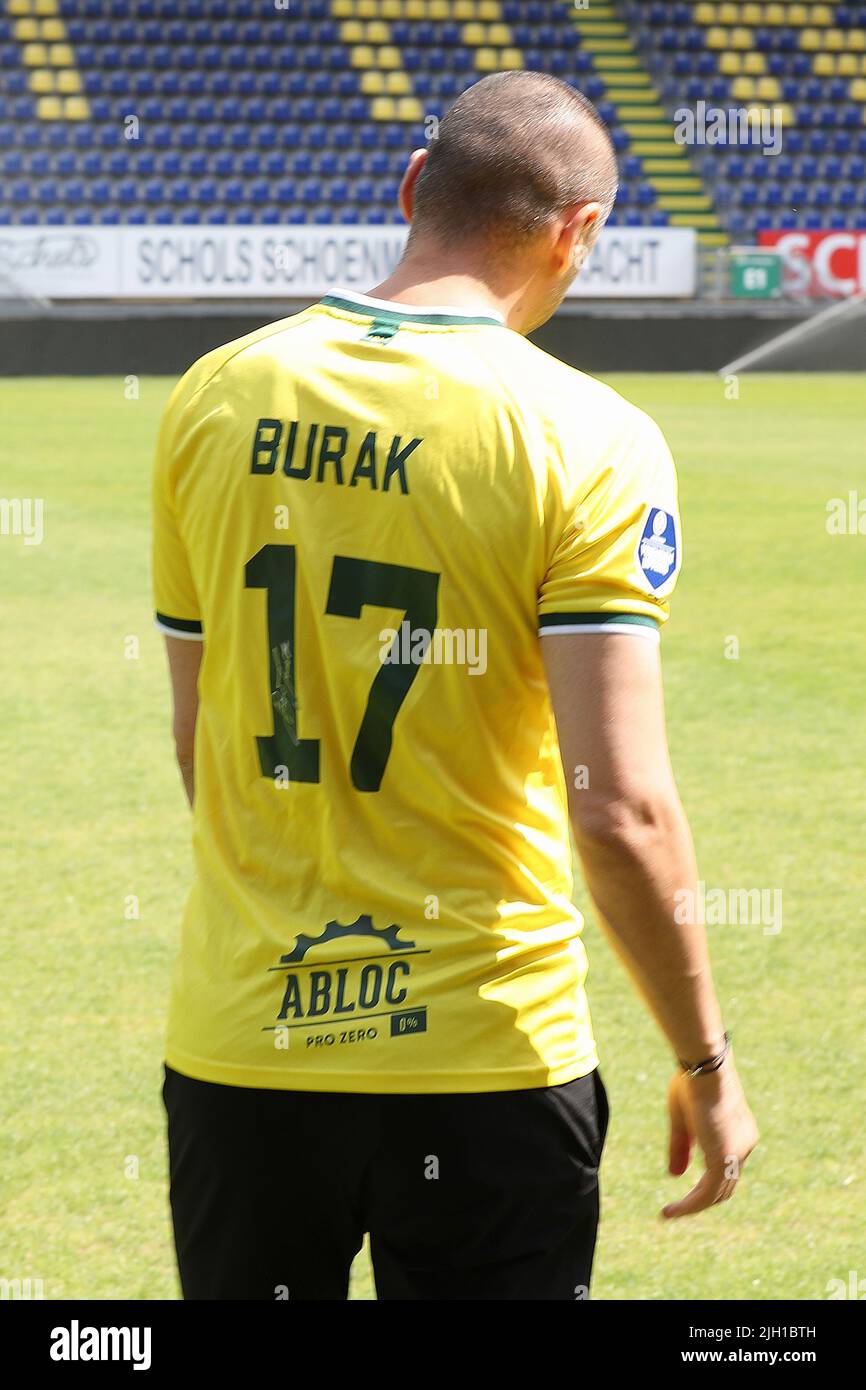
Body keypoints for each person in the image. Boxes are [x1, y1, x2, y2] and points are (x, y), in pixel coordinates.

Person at [153, 70, 757, 1302]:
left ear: (411, 186)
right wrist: (705, 1061)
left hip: (243, 1052)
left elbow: (199, 740)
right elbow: (617, 807)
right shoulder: (590, 437)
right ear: (576, 231)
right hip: (487, 1063)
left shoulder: (214, 392)